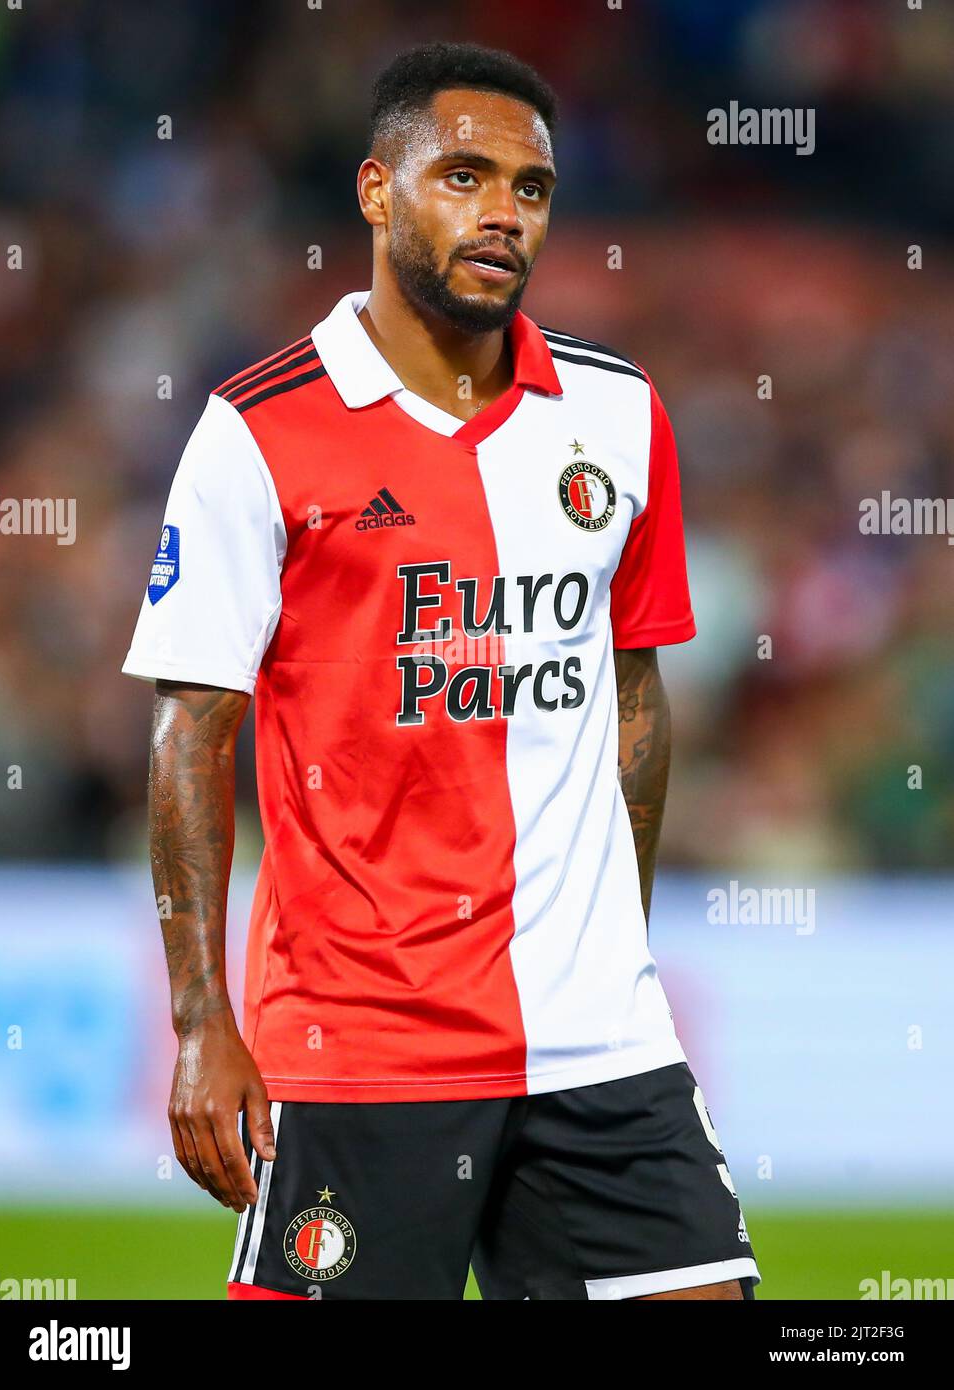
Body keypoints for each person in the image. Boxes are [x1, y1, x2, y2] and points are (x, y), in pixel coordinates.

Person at [123, 40, 759, 1301]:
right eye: (465, 176)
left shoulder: (618, 413)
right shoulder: (257, 431)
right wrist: (203, 1018)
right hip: (365, 1040)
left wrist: (610, 940)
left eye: (530, 188)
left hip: (599, 1039)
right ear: (375, 190)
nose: (503, 213)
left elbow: (635, 694)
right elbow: (193, 729)